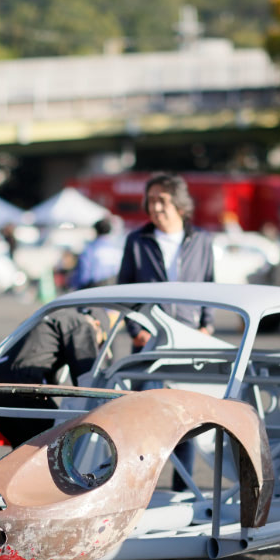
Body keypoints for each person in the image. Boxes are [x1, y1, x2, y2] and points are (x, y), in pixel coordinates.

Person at [117, 172, 216, 490]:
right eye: (151, 200)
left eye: (162, 200)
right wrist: (135, 330)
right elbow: (124, 290)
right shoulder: (137, 241)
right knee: (144, 420)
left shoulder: (201, 240)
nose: (155, 207)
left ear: (180, 204)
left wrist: (207, 324)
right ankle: (137, 490)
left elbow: (210, 285)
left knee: (185, 420)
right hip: (149, 342)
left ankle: (182, 489)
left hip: (189, 341)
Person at [0, 308, 105, 447]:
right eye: (100, 343)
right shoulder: (81, 323)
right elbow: (87, 378)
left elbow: (37, 357)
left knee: (25, 451)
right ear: (97, 324)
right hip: (23, 392)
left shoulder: (44, 317)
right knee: (62, 446)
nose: (97, 347)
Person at [69, 218, 122, 290]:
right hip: (113, 287)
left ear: (95, 231)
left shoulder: (90, 249)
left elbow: (83, 275)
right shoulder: (117, 249)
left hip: (94, 289)